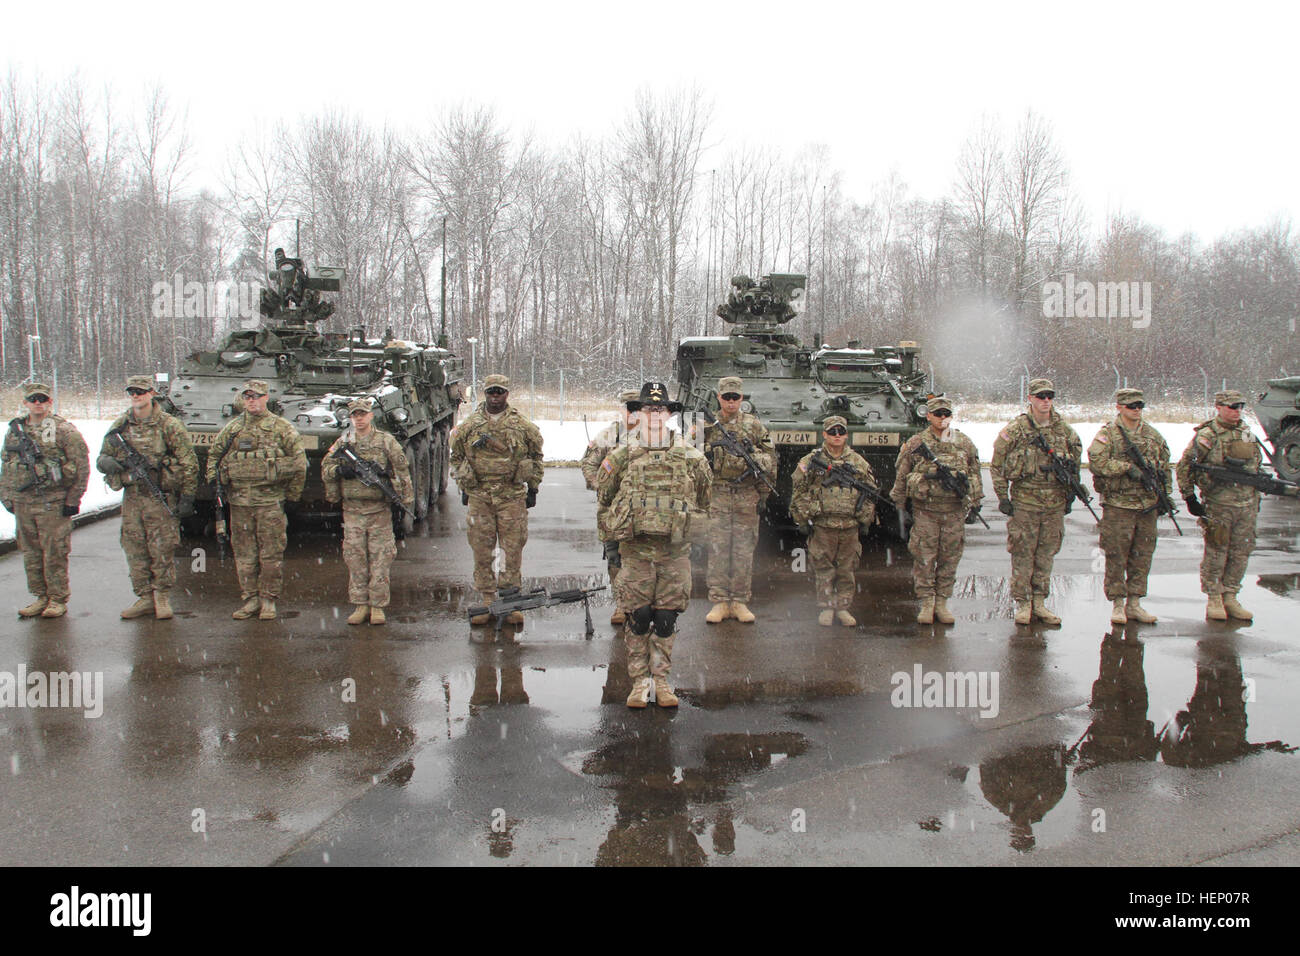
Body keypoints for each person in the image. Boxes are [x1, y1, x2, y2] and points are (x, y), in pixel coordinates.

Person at [597, 382, 711, 708]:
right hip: (636, 549)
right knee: (639, 616)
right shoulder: (621, 454)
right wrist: (612, 539)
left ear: (670, 414)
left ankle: (660, 681)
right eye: (649, 409)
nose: (655, 415)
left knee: (665, 618)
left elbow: (704, 495)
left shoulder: (690, 455)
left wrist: (692, 528)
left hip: (673, 550)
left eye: (661, 410)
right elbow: (604, 497)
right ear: (641, 413)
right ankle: (639, 682)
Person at [96, 375, 198, 620]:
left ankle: (161, 596)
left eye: (140, 391)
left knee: (162, 547)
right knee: (134, 547)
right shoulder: (121, 424)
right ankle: (144, 596)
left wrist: (188, 496)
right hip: (132, 498)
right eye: (132, 391)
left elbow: (188, 462)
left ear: (152, 392)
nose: (136, 396)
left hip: (160, 497)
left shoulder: (168, 425)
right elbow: (102, 457)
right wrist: (109, 464)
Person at [205, 379, 307, 620]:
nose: (251, 400)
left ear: (266, 398)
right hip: (239, 503)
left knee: (270, 554)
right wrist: (215, 482)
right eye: (247, 396)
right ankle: (250, 598)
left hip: (269, 503)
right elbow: (214, 456)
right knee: (244, 554)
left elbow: (299, 463)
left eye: (256, 396)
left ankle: (269, 599)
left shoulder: (281, 428)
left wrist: (292, 496)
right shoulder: (232, 429)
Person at [450, 374, 544, 626]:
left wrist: (533, 487)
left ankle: (510, 602)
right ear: (484, 393)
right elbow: (456, 457)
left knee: (512, 551)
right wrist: (464, 483)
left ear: (507, 394)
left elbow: (536, 456)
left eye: (499, 391)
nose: (495, 396)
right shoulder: (469, 426)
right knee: (482, 551)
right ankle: (487, 601)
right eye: (491, 391)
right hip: (480, 497)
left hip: (511, 497)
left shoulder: (523, 426)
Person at [990, 378, 1082, 626]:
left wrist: (1072, 493)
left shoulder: (1064, 431)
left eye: (1050, 396)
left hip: (1053, 505)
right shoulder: (1017, 430)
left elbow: (1074, 464)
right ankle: (1023, 602)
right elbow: (997, 465)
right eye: (1041, 396)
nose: (1046, 401)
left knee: (1046, 554)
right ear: (1030, 398)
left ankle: (1040, 601)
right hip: (1025, 504)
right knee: (1022, 553)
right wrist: (1002, 497)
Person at [890, 395, 983, 625]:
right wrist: (900, 505)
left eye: (946, 414)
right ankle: (926, 602)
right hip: (926, 511)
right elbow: (902, 474)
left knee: (949, 558)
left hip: (953, 511)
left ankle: (942, 602)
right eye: (938, 414)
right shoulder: (916, 443)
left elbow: (974, 473)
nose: (942, 418)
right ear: (928, 416)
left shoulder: (964, 443)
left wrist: (976, 502)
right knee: (924, 557)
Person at [322, 397, 414, 626]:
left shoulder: (385, 441)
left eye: (363, 414)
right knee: (355, 559)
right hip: (352, 510)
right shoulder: (343, 442)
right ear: (351, 418)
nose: (360, 418)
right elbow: (326, 467)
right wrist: (341, 470)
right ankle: (360, 604)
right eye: (355, 415)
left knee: (381, 559)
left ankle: (378, 606)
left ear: (371, 415)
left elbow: (402, 469)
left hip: (378, 511)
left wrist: (403, 497)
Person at [0, 382, 89, 618]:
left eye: (42, 399)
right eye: (32, 399)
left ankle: (58, 599)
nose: (37, 403)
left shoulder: (63, 430)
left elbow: (81, 466)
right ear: (25, 402)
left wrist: (73, 499)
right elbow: (6, 464)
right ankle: (40, 596)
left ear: (49, 401)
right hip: (23, 502)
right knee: (30, 552)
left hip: (52, 502)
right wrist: (6, 496)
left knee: (55, 551)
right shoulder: (15, 430)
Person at [1176, 389, 1261, 622]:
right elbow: (1185, 466)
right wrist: (1189, 497)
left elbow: (1256, 464)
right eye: (1232, 406)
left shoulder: (1246, 433)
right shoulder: (1208, 435)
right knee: (1217, 550)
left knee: (1241, 551)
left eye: (1240, 406)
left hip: (1246, 504)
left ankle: (1231, 595)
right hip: (1219, 504)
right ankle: (1214, 597)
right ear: (1219, 407)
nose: (1237, 411)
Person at [1087, 387, 1170, 625]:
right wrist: (1126, 468)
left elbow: (1164, 467)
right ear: (1120, 407)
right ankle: (1118, 603)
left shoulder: (1153, 436)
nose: (1136, 410)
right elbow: (1097, 462)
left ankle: (1135, 603)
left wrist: (1166, 495)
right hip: (1119, 505)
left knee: (1142, 555)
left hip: (1147, 505)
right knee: (1116, 555)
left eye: (1139, 406)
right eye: (1131, 406)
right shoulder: (1109, 435)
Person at [700, 376, 775, 624]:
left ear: (741, 398)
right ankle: (720, 601)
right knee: (719, 549)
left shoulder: (754, 426)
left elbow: (770, 462)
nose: (731, 402)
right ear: (719, 398)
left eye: (735, 397)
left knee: (743, 551)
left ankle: (740, 601)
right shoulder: (706, 426)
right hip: (718, 494)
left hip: (745, 495)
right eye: (726, 397)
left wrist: (763, 492)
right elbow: (691, 460)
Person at [789, 415, 877, 627]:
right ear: (825, 434)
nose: (837, 436)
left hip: (849, 524)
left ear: (846, 435)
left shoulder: (857, 462)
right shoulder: (810, 461)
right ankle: (827, 606)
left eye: (841, 432)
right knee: (823, 567)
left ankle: (843, 606)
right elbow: (798, 489)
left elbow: (870, 492)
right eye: (832, 432)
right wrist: (803, 517)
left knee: (847, 569)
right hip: (823, 524)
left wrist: (865, 519)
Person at [580, 389, 641, 624]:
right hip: (612, 511)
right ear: (622, 409)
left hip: (642, 511)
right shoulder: (607, 436)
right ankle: (621, 605)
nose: (633, 413)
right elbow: (588, 464)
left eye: (637, 408)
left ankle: (640, 604)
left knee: (641, 558)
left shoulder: (654, 438)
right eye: (629, 408)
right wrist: (600, 486)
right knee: (615, 559)